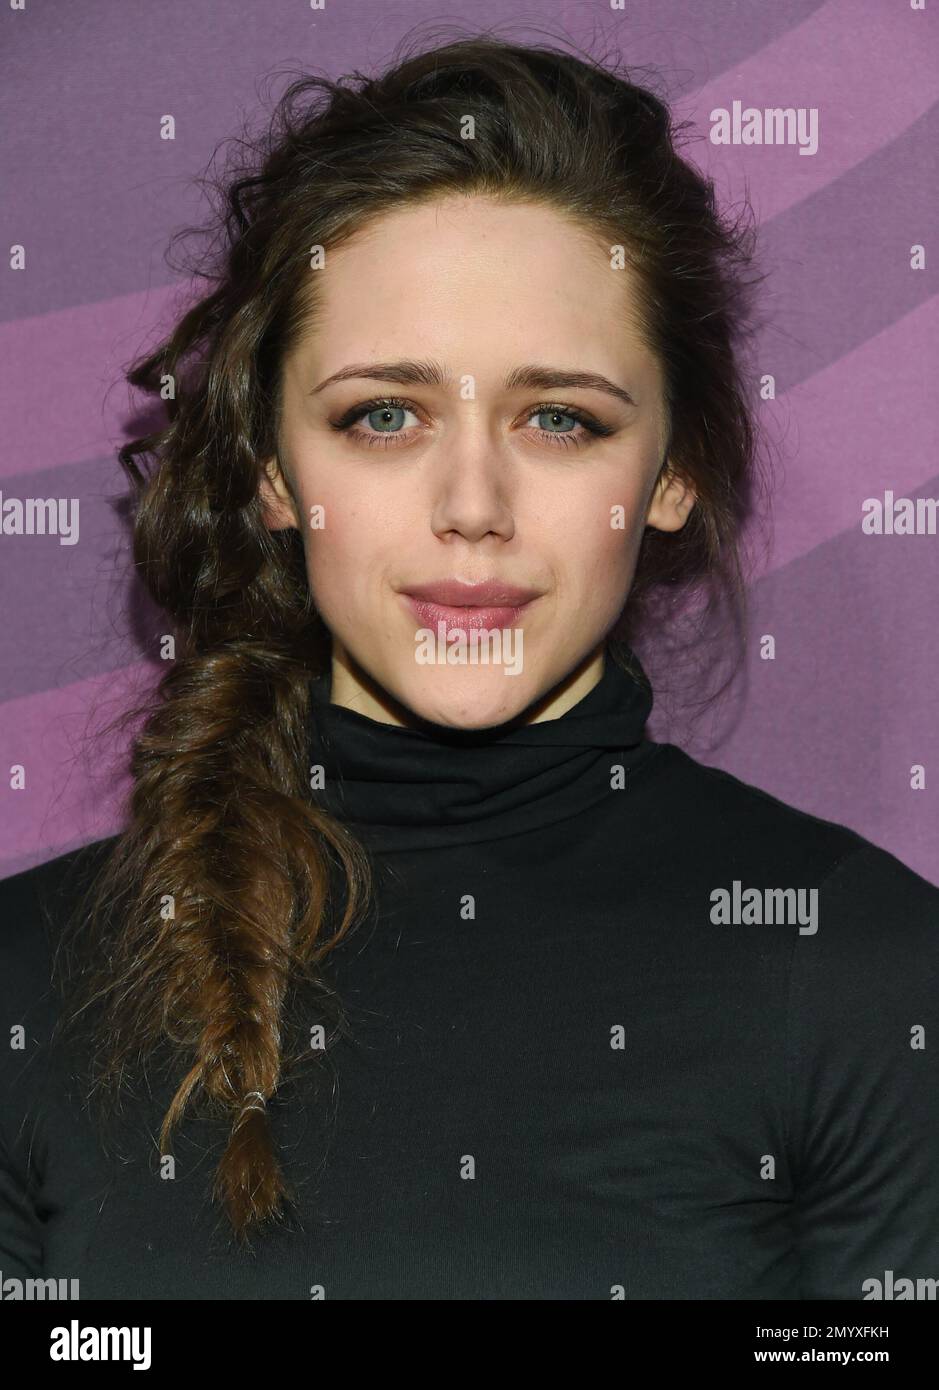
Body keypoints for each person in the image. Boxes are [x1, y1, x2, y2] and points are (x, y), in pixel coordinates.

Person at [1, 34, 937, 1301]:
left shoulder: (865, 968)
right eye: (383, 416)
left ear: (673, 470)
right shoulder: (31, 975)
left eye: (561, 419)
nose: (472, 504)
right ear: (272, 468)